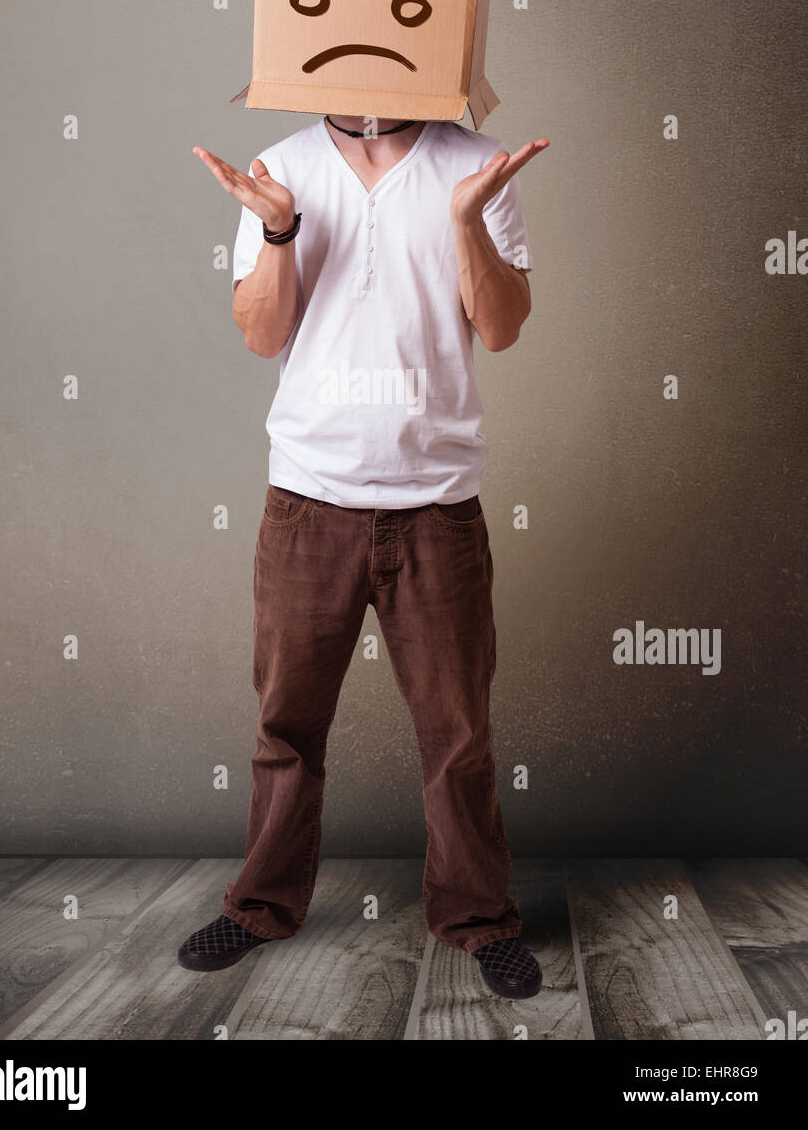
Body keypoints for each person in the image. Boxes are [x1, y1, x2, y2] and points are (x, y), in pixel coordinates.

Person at [178, 111, 549, 1000]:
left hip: (437, 508)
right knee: (284, 726)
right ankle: (258, 907)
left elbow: (502, 329)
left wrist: (465, 221)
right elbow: (261, 334)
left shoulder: (477, 165)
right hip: (309, 501)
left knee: (458, 735)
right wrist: (278, 228)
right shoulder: (282, 167)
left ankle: (478, 918)